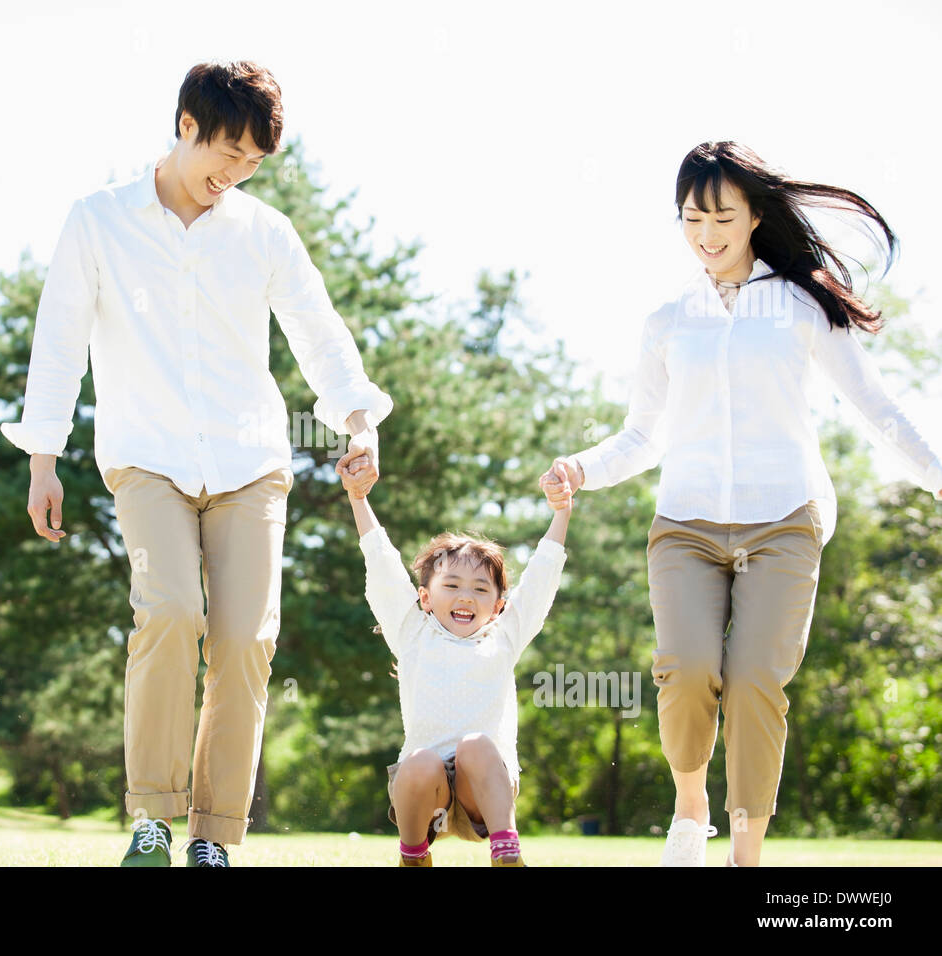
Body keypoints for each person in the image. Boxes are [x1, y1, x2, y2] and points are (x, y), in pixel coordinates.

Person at [0, 60, 392, 866]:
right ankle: (151, 819)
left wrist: (357, 420)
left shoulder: (264, 232)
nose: (237, 173)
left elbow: (317, 331)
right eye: (228, 152)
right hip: (146, 458)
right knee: (172, 612)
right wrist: (45, 456)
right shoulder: (99, 220)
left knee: (247, 641)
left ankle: (213, 838)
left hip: (250, 463)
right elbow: (60, 335)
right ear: (186, 125)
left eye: (254, 162)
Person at [543, 141, 942, 866]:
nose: (707, 232)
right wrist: (581, 467)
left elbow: (876, 407)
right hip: (687, 525)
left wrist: (937, 474)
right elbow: (642, 435)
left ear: (756, 215)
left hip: (786, 519)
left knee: (757, 678)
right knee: (689, 668)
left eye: (722, 214)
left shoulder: (802, 306)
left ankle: (747, 854)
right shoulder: (669, 321)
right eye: (693, 217)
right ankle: (690, 811)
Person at [337, 449, 571, 865]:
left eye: (481, 589)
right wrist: (358, 498)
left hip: (484, 794)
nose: (466, 596)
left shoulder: (505, 635)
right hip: (427, 801)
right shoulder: (412, 632)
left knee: (477, 746)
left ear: (499, 604)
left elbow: (542, 577)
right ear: (425, 597)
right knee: (420, 761)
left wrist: (561, 512)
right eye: (453, 585)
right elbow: (381, 559)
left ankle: (507, 854)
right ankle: (413, 856)